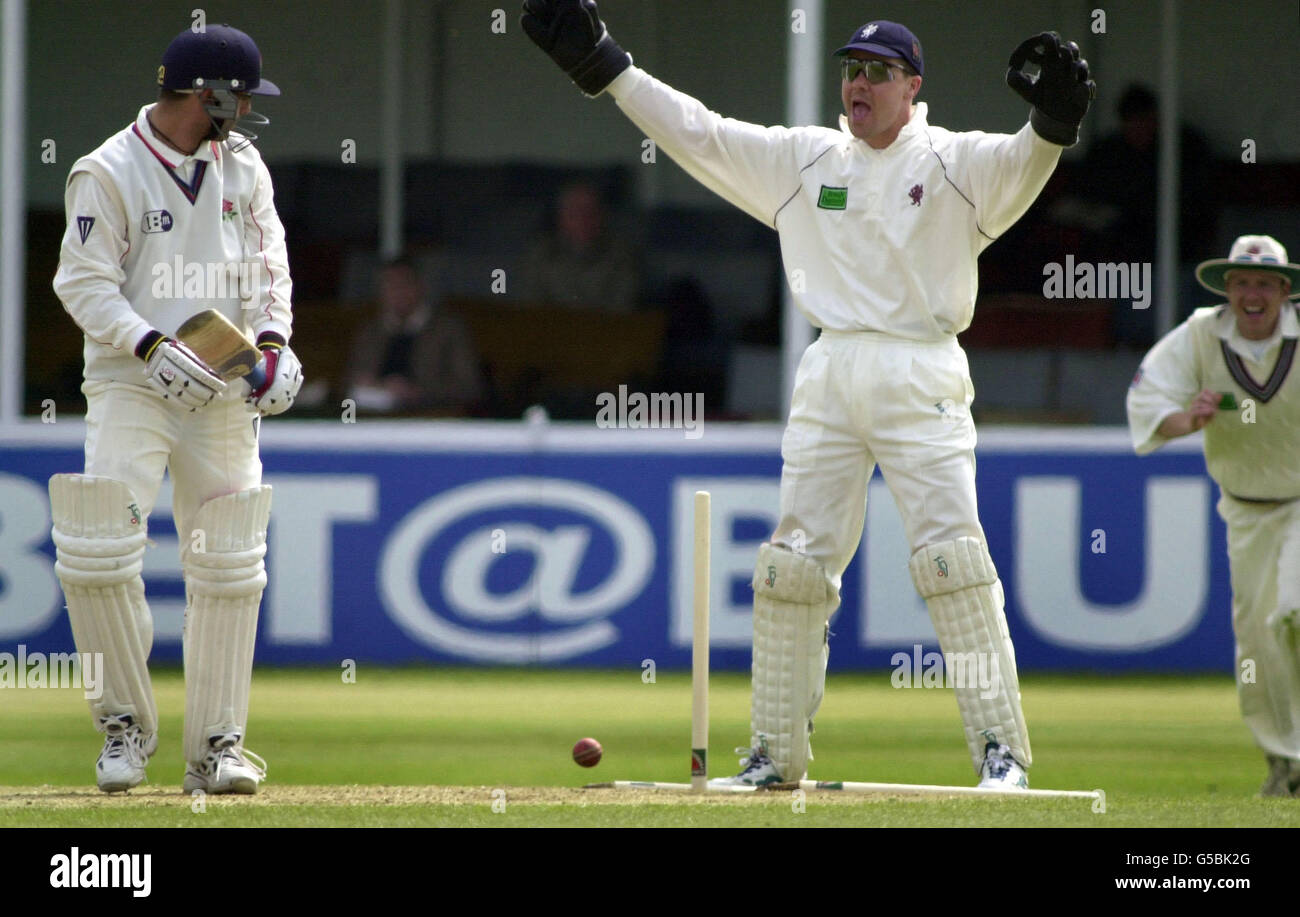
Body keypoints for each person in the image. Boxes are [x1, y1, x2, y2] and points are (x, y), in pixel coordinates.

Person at [523, 1, 1095, 788]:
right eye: (851, 70)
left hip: (920, 367)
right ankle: (773, 756)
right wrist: (608, 67)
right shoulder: (808, 160)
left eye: (877, 73)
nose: (859, 84)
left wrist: (1053, 123)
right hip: (828, 372)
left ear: (913, 86)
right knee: (791, 567)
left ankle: (1002, 752)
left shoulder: (956, 164)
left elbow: (1026, 163)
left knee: (952, 559)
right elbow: (700, 133)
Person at [50, 24, 302, 794]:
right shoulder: (109, 169)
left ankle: (217, 746)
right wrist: (153, 346)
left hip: (223, 386)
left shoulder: (244, 168)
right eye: (243, 96)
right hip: (135, 383)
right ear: (210, 95)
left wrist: (270, 345)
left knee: (230, 558)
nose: (250, 110)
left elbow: (269, 266)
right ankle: (123, 728)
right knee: (97, 547)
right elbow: (82, 283)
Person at [1127, 235, 1300, 797]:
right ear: (1227, 289)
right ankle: (1285, 763)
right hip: (1246, 511)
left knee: (1293, 614)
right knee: (1257, 640)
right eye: (1242, 283)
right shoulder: (1200, 334)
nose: (1253, 294)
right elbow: (1150, 399)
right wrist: (1187, 420)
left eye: (1265, 284)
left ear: (1285, 291)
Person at [347, 255, 484, 414]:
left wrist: (417, 392)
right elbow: (349, 380)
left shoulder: (449, 329)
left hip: (432, 419)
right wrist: (370, 384)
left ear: (420, 287)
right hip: (373, 419)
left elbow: (470, 386)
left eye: (404, 284)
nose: (397, 293)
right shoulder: (370, 331)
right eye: (390, 286)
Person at [519, 181, 639, 311]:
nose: (583, 219)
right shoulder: (540, 253)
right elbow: (530, 305)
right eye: (574, 213)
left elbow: (623, 307)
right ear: (561, 218)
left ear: (602, 216)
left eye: (590, 212)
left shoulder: (622, 254)